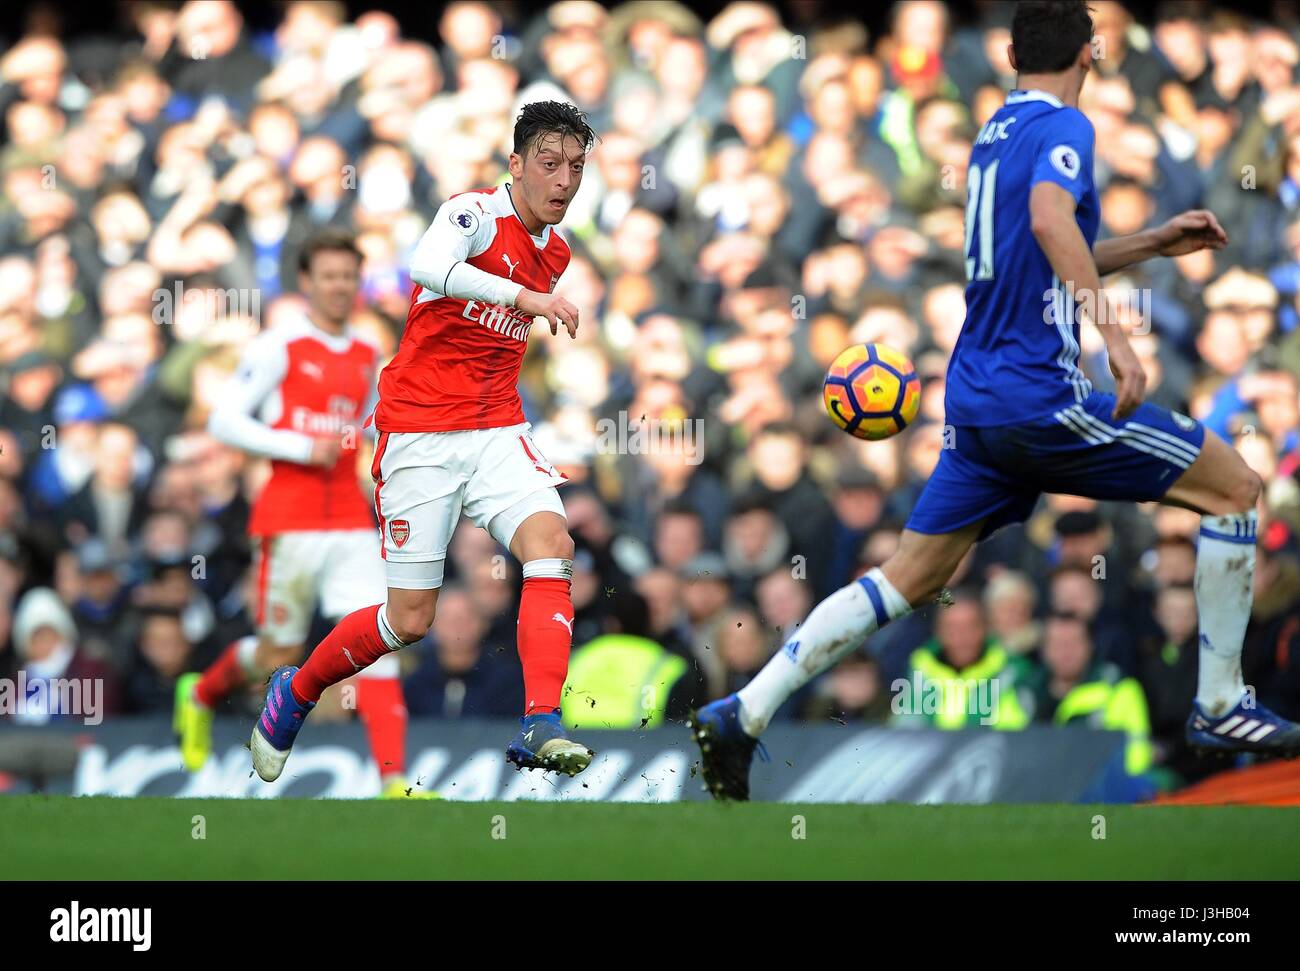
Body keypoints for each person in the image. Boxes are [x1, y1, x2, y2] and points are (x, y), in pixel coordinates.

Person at [690, 0, 1300, 801]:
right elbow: (1053, 222)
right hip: (1039, 397)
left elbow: (1045, 248)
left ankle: (745, 710)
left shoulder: (994, 133)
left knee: (907, 576)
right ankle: (1220, 701)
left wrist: (1151, 241)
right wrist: (1115, 336)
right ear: (1092, 53)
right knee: (1236, 488)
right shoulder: (1067, 129)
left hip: (976, 406)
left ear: (1012, 54)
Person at [249, 101, 597, 782]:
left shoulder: (556, 250)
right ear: (516, 165)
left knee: (553, 544)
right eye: (550, 164)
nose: (563, 180)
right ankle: (296, 690)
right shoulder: (470, 214)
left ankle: (541, 720)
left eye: (577, 167)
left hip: (497, 426)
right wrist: (523, 299)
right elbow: (428, 265)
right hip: (419, 434)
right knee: (410, 620)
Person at [173, 229, 426, 799]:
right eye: (328, 275)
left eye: (348, 276)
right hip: (289, 520)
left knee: (380, 639)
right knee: (276, 654)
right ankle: (200, 696)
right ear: (307, 282)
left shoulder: (366, 356)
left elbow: (365, 428)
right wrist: (294, 444)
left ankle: (394, 783)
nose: (339, 286)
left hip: (351, 522)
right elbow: (223, 421)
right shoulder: (278, 346)